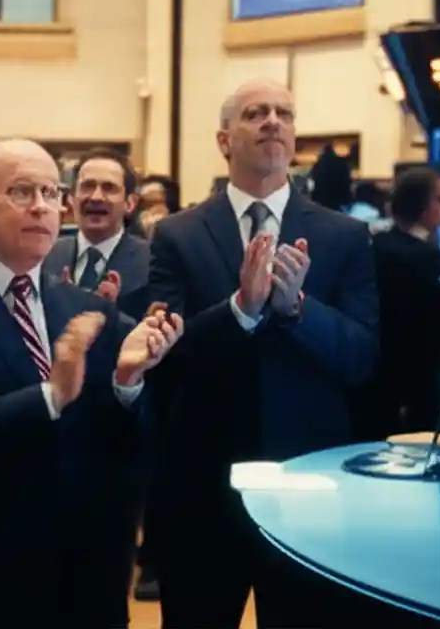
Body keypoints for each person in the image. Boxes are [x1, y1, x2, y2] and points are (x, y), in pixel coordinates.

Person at [0, 138, 184, 628]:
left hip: (87, 579)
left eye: (50, 192)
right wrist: (50, 397)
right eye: (22, 191)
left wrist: (127, 383)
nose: (42, 206)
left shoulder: (90, 310)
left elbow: (131, 449)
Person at [146, 79, 378, 628]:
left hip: (307, 477)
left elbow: (362, 356)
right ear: (225, 140)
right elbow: (167, 355)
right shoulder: (177, 236)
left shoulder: (345, 235)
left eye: (284, 113)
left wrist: (298, 310)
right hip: (204, 477)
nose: (273, 121)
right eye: (256, 113)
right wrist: (240, 311)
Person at [364, 167, 440, 439]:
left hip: (383, 388)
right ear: (419, 205)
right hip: (420, 389)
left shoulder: (378, 246)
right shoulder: (424, 259)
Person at [43, 148, 151, 321]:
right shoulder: (46, 255)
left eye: (109, 188)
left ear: (130, 203)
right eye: (87, 186)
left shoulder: (151, 261)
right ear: (71, 199)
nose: (96, 197)